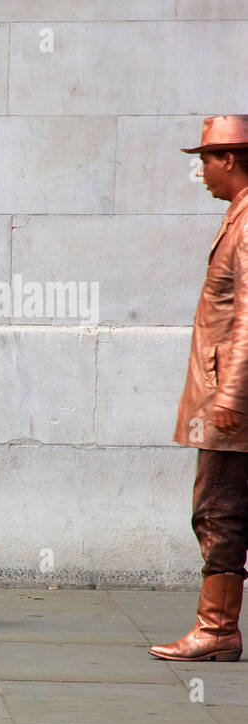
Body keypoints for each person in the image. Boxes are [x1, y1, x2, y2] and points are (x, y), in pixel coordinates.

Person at [154, 115, 248, 663]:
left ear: (230, 160)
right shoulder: (236, 218)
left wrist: (231, 397)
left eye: (206, 160)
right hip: (227, 396)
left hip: (229, 403)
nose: (202, 171)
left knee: (217, 510)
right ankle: (217, 628)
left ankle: (216, 630)